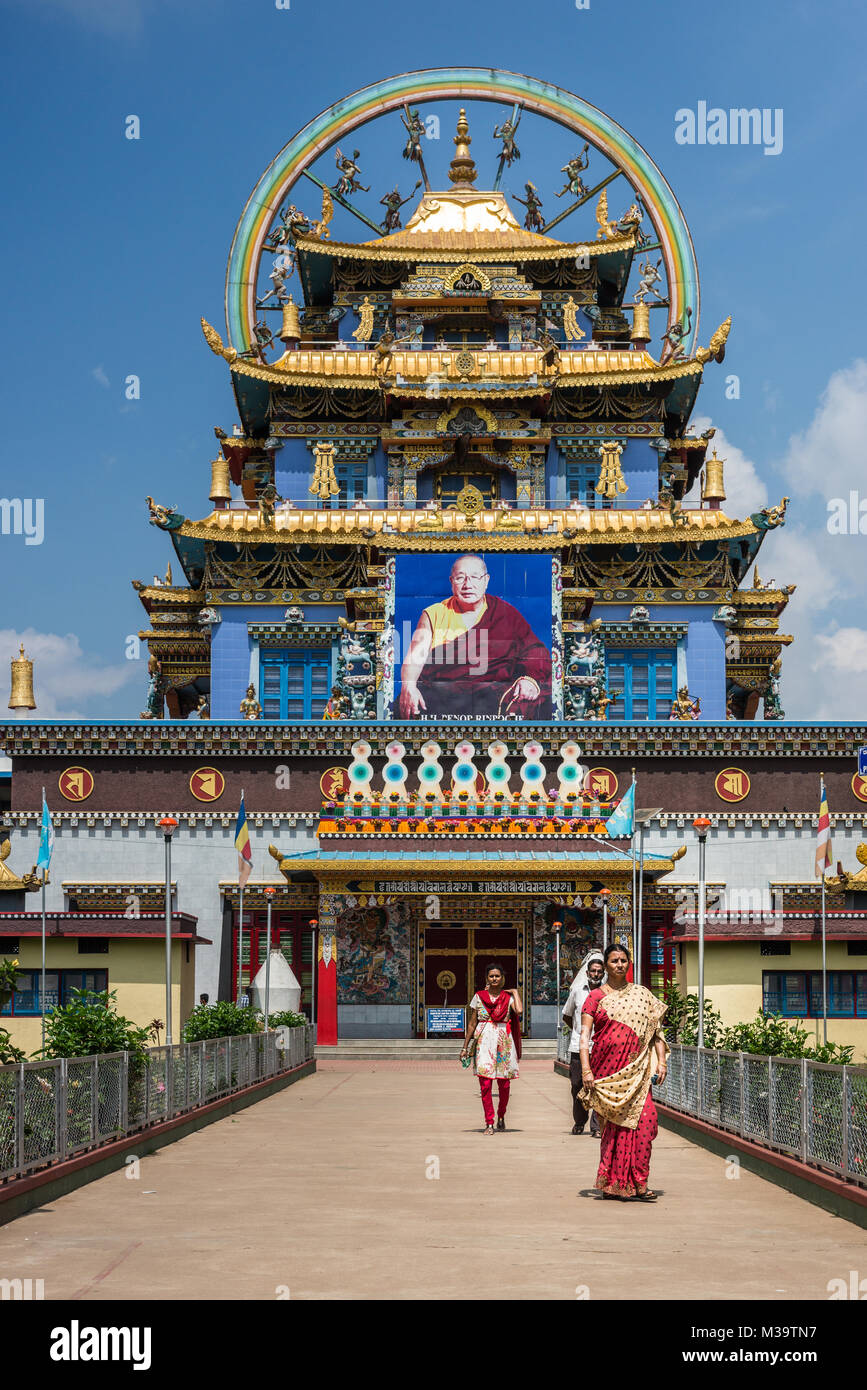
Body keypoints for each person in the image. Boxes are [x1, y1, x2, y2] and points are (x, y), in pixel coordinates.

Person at [397, 554, 552, 719]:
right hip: (442, 696)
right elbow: (414, 658)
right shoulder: (434, 614)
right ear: (451, 582)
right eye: (460, 578)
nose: (467, 585)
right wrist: (408, 686)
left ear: (486, 581)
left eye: (475, 578)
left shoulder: (505, 614)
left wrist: (529, 680)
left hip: (493, 696)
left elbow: (534, 652)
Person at [578, 943, 669, 1200]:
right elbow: (585, 1037)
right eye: (614, 961)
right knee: (612, 1129)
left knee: (646, 1124)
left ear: (630, 964)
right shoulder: (595, 997)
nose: (619, 965)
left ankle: (640, 1182)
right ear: (605, 965)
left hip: (638, 1073)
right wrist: (586, 1071)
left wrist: (661, 1062)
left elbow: (657, 1034)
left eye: (623, 960)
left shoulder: (642, 994)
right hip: (607, 1074)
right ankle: (612, 1184)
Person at [460, 964, 522, 1133]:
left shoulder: (508, 998)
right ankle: (489, 1122)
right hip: (484, 1041)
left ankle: (501, 1114)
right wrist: (465, 1047)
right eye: (491, 976)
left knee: (504, 1084)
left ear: (502, 978)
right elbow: (472, 1022)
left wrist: (515, 993)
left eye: (497, 976)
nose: (494, 979)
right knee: (485, 1083)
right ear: (487, 978)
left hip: (503, 1041)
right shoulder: (479, 997)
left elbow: (519, 1010)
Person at [562, 951, 605, 1135]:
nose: (596, 974)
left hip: (601, 1047)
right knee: (577, 1084)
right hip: (578, 1047)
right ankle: (580, 1120)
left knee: (599, 1086)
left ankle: (596, 1126)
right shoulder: (577, 992)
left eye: (599, 971)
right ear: (587, 973)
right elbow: (567, 1015)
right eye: (593, 971)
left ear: (603, 974)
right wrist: (580, 1033)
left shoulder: (608, 993)